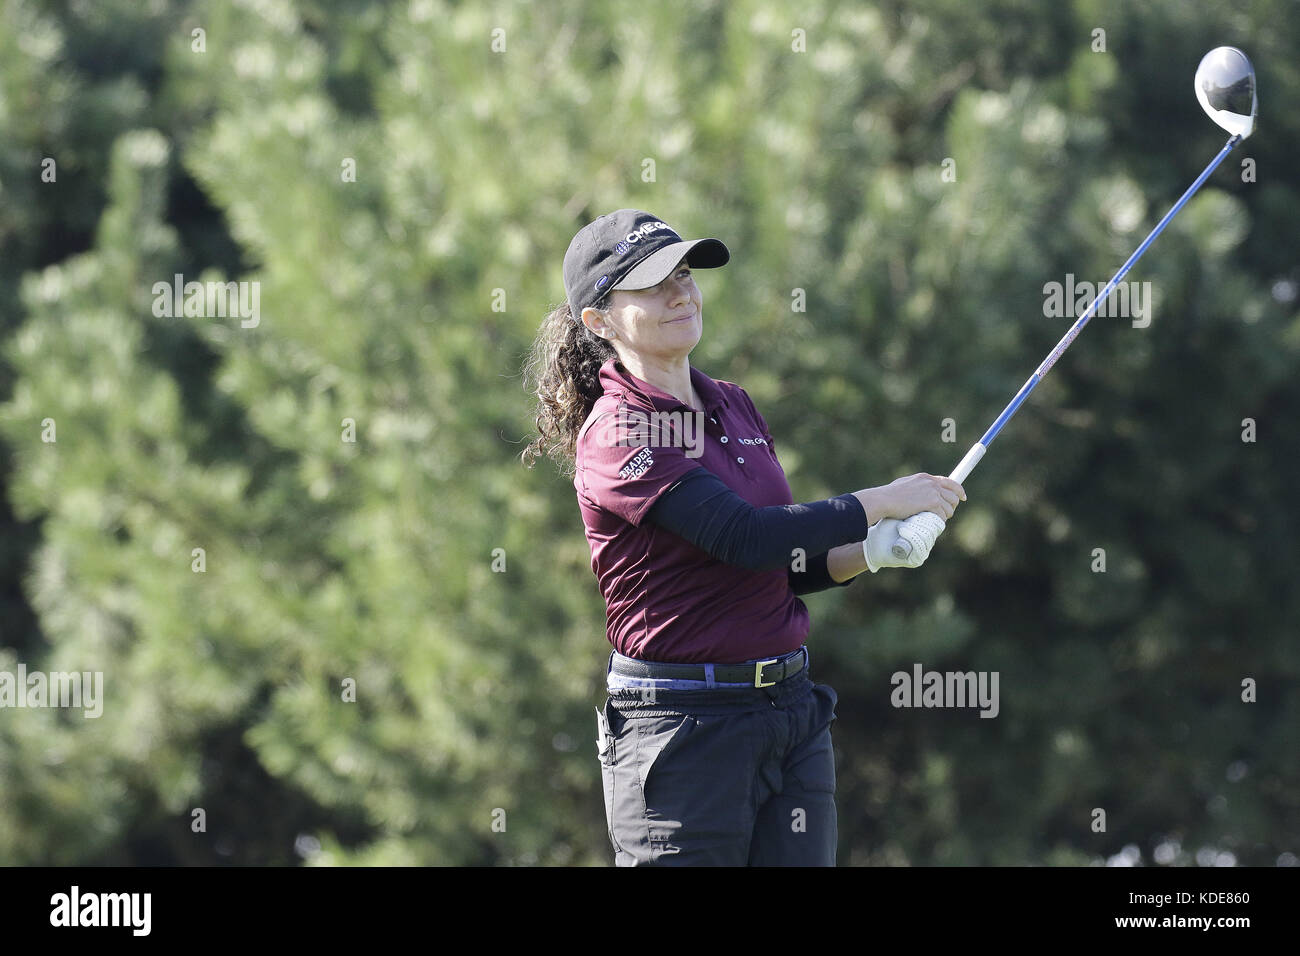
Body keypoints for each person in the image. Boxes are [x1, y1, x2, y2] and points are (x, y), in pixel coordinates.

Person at [520, 209, 964, 866]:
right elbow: (742, 536)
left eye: (685, 273)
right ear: (599, 320)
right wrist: (880, 502)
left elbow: (779, 565)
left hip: (789, 714)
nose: (681, 292)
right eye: (652, 284)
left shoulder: (732, 404)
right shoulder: (618, 431)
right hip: (680, 732)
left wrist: (870, 552)